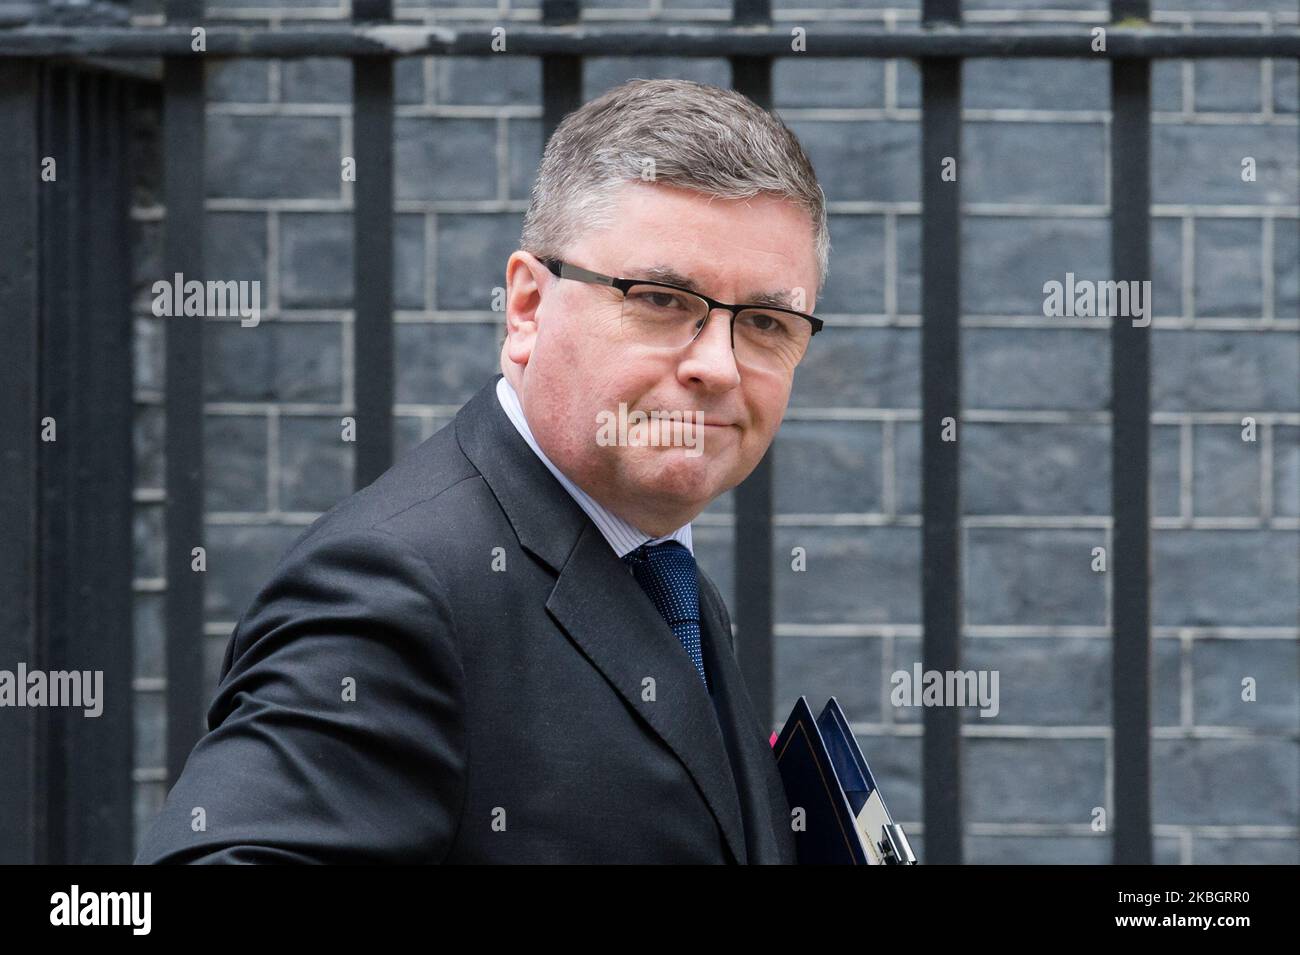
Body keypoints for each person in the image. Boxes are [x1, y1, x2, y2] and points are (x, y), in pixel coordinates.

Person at [136, 76, 829, 864]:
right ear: (528, 306)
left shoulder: (659, 568)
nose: (718, 366)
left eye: (767, 323)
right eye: (664, 299)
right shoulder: (394, 587)